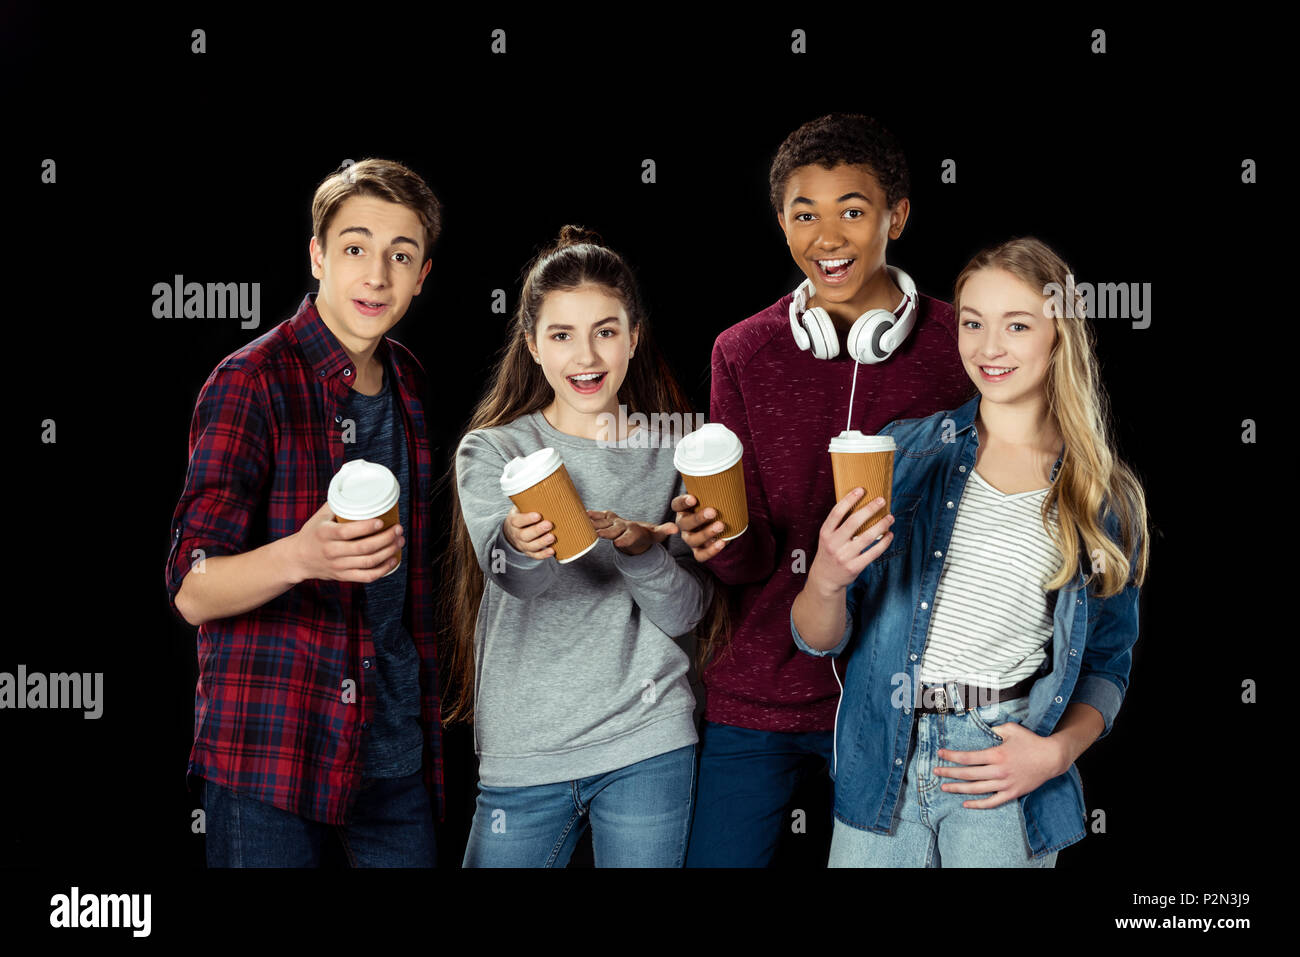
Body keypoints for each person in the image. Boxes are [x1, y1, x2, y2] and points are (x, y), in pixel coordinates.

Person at [675, 113, 974, 867]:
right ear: (781, 222)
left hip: (898, 697)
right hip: (761, 692)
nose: (827, 235)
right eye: (804, 213)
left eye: (853, 209)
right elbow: (744, 563)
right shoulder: (741, 351)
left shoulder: (960, 347)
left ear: (896, 216)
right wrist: (718, 540)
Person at [791, 236, 1148, 866]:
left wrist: (1055, 753)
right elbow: (817, 639)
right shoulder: (900, 454)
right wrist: (825, 577)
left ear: (1058, 335)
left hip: (1002, 758)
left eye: (1017, 325)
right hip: (884, 758)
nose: (989, 348)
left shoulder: (1099, 495)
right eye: (973, 323)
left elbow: (1108, 661)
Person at [164, 158, 446, 866]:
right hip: (274, 756)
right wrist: (301, 555)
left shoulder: (409, 381)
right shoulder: (249, 380)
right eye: (355, 247)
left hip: (392, 756)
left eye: (400, 255)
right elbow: (191, 588)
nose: (377, 275)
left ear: (422, 275)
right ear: (318, 254)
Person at [444, 225, 723, 867]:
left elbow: (685, 613)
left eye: (605, 330)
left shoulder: (675, 451)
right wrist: (520, 541)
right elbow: (515, 578)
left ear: (633, 337)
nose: (586, 355)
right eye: (562, 335)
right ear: (535, 348)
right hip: (525, 748)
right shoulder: (494, 450)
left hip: (648, 739)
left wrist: (639, 548)